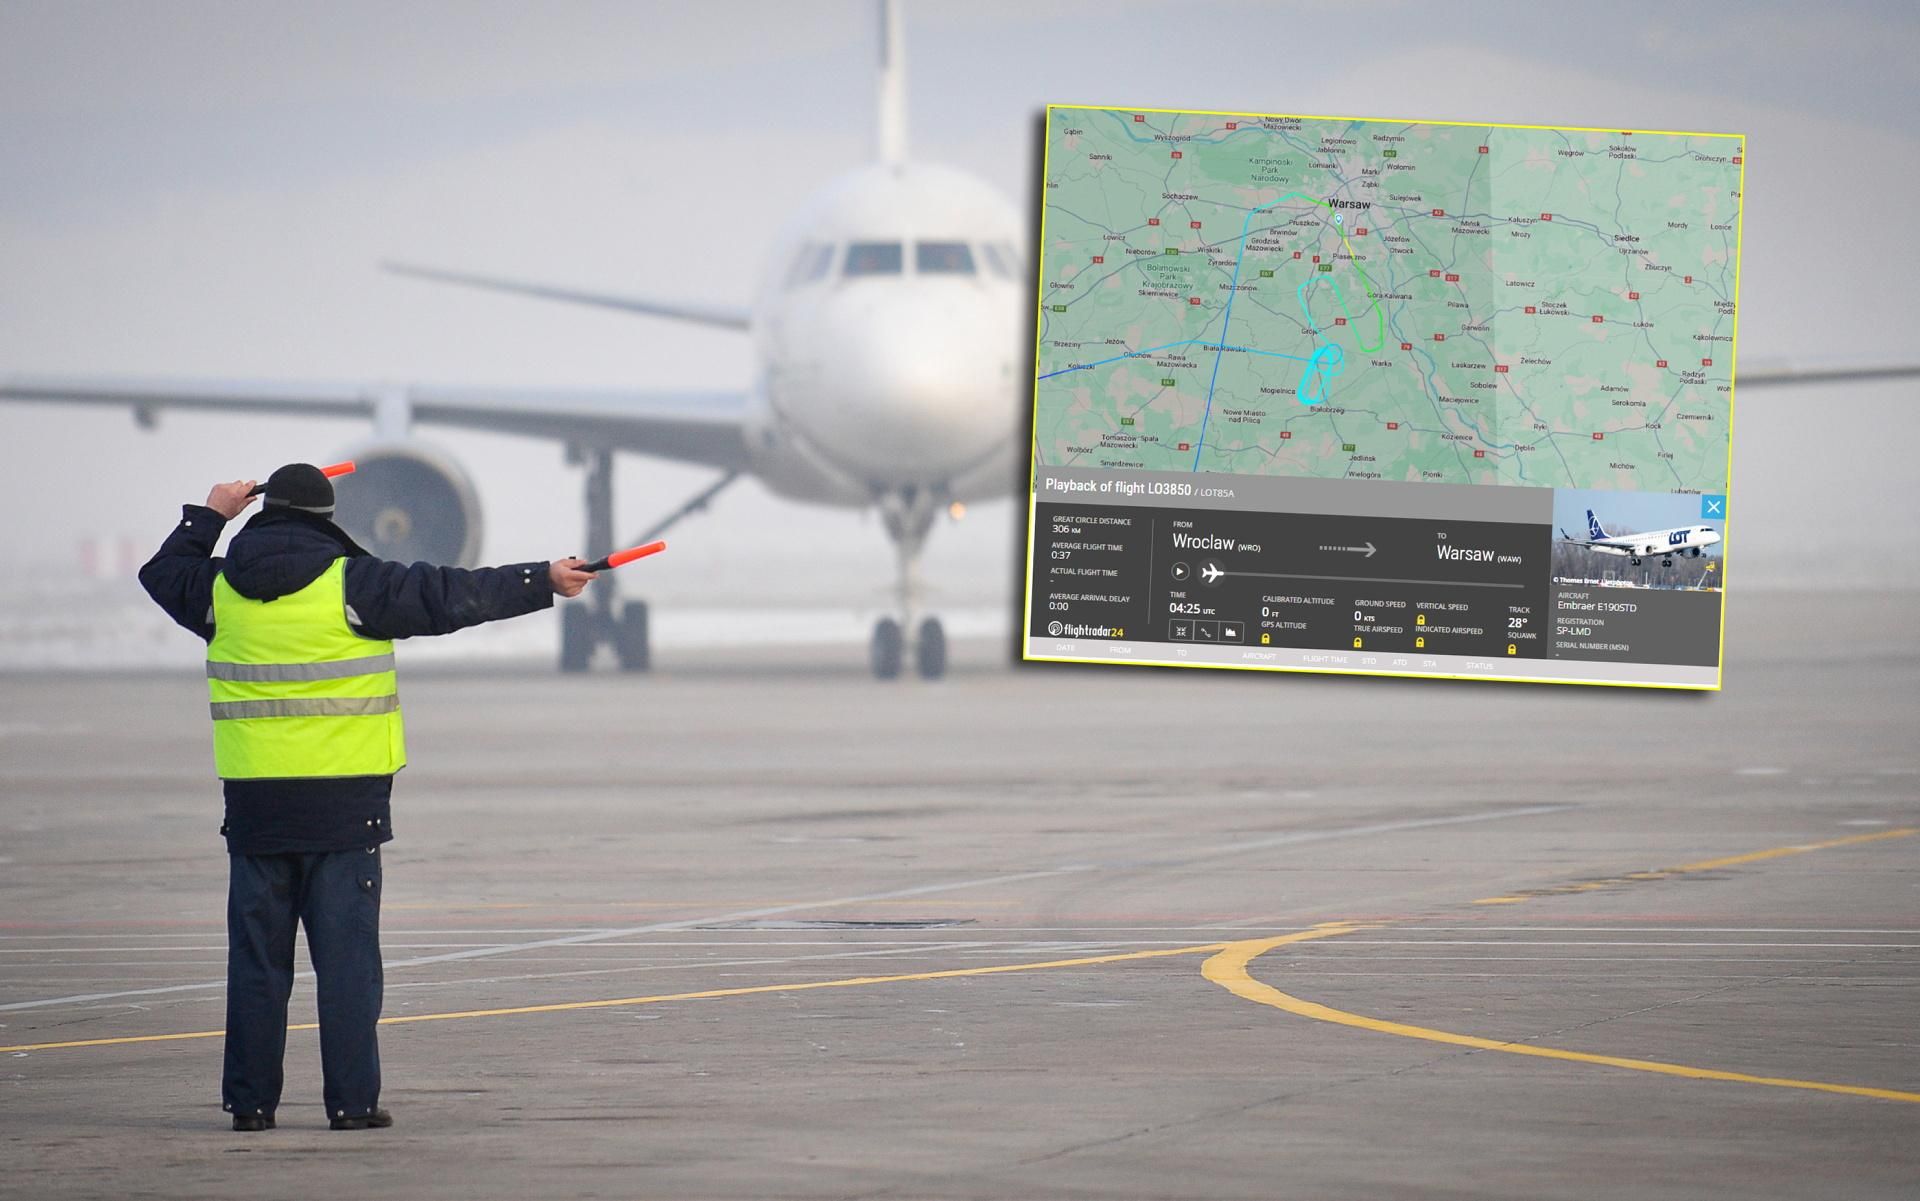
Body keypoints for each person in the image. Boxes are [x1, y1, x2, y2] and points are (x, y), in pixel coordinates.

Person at [139, 463, 597, 1132]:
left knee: (257, 968)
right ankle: (351, 1104)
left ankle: (251, 1105)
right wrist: (542, 579)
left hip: (257, 814)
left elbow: (161, 573)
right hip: (345, 813)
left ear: (265, 513)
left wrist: (210, 515)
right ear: (327, 519)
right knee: (348, 968)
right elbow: (454, 594)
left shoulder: (218, 593)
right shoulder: (356, 584)